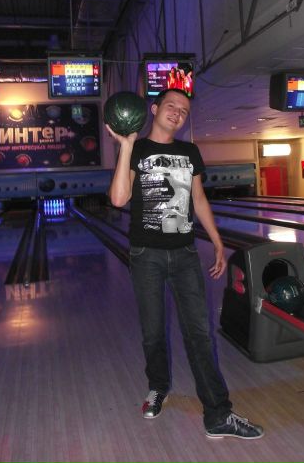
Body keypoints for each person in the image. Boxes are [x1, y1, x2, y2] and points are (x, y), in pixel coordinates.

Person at [105, 88, 264, 440]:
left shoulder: (189, 152)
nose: (178, 112)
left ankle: (217, 414)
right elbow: (118, 198)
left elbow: (199, 198)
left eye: (184, 110)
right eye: (171, 105)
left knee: (199, 334)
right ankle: (158, 387)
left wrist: (218, 242)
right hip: (145, 255)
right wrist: (126, 145)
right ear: (154, 109)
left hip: (185, 254)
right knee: (153, 332)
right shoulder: (137, 150)